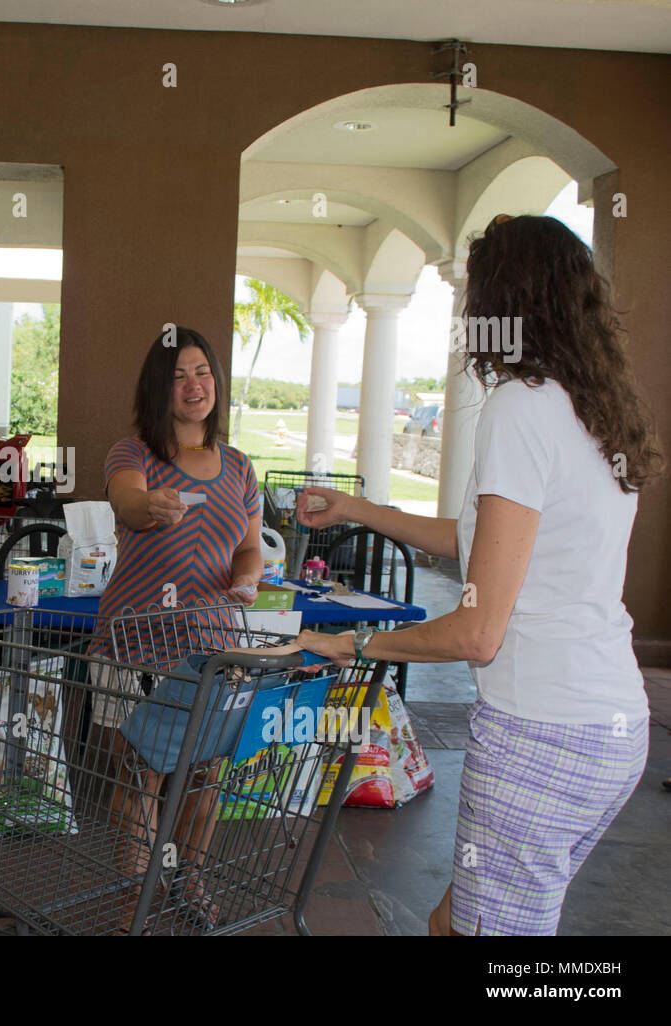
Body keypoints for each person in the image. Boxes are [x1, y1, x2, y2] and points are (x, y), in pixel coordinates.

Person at [294, 214, 661, 936]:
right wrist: (360, 509)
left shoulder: (520, 407)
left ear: (503, 304)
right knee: (456, 920)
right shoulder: (594, 411)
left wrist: (349, 645)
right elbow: (488, 544)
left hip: (541, 735)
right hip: (612, 728)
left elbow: (478, 631)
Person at [84, 327, 263, 929]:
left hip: (214, 647)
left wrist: (246, 580)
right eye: (181, 375)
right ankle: (138, 900)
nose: (195, 386)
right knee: (139, 774)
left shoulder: (239, 466)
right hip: (134, 644)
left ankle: (188, 881)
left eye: (203, 373)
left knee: (205, 777)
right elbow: (126, 501)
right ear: (160, 388)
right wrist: (151, 506)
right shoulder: (132, 453)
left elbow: (249, 550)